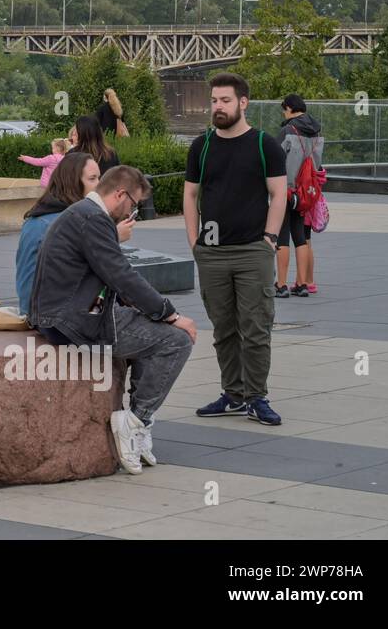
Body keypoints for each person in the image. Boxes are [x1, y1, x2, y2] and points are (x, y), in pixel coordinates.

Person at [29, 166, 197, 475]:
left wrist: (154, 311)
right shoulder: (94, 219)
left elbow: (115, 275)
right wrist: (171, 314)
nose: (133, 211)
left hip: (66, 315)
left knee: (153, 329)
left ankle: (138, 422)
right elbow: (121, 275)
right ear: (120, 194)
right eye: (134, 203)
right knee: (177, 341)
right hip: (74, 322)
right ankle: (134, 421)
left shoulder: (82, 213)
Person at [183, 72, 288, 427]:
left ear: (243, 102)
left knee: (256, 327)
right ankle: (232, 393)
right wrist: (193, 241)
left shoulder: (264, 145)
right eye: (214, 101)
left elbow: (279, 194)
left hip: (252, 252)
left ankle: (257, 397)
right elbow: (190, 194)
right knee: (224, 329)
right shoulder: (202, 145)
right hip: (211, 254)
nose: (218, 107)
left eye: (225, 100)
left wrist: (270, 239)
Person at [14, 152, 102, 318]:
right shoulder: (62, 221)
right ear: (73, 183)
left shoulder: (45, 216)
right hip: (52, 315)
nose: (99, 185)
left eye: (99, 178)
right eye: (92, 179)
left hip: (39, 309)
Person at [276, 94, 324, 297]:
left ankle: (281, 284)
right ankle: (303, 284)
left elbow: (276, 158)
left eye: (284, 110)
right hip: (308, 191)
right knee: (301, 236)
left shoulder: (288, 130)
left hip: (287, 189)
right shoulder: (316, 130)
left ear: (289, 108)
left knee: (282, 236)